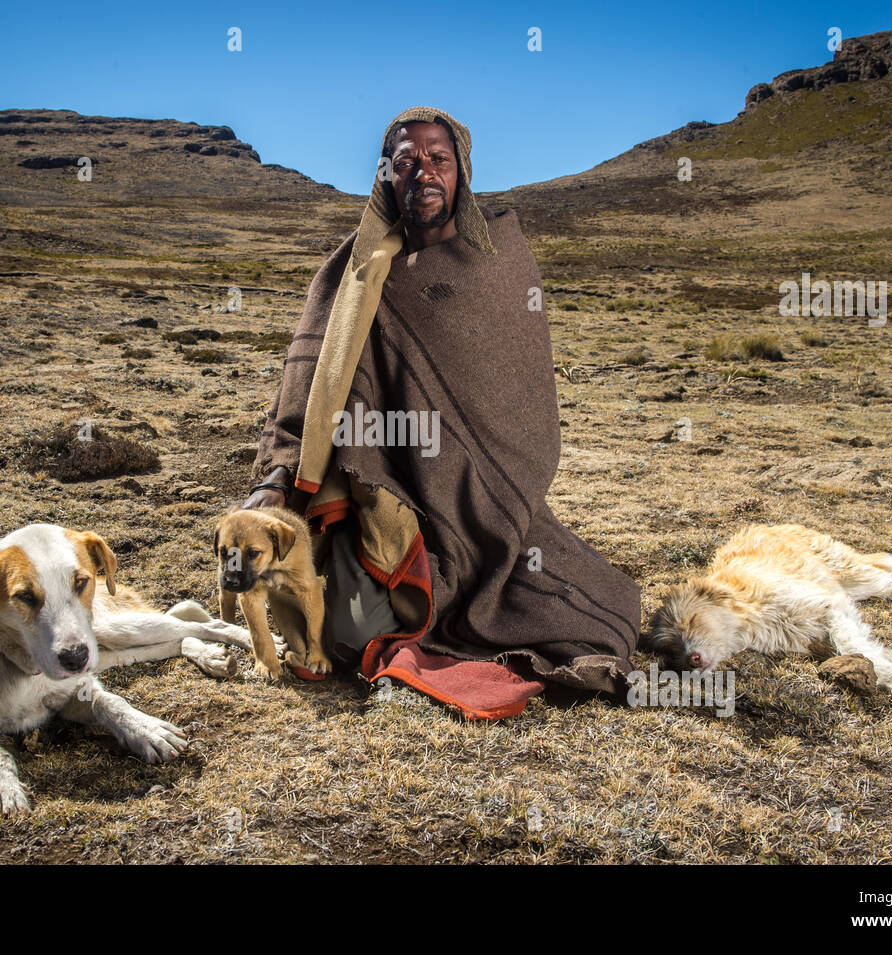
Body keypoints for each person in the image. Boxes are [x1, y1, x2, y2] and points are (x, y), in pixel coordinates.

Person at [244, 106, 639, 719]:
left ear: (462, 171)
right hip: (378, 496)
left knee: (594, 611)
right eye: (406, 162)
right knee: (348, 635)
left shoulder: (500, 262)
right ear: (386, 175)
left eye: (438, 159)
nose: (422, 173)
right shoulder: (359, 269)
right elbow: (310, 382)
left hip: (482, 508)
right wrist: (277, 475)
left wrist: (471, 477)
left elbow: (519, 404)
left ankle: (477, 565)